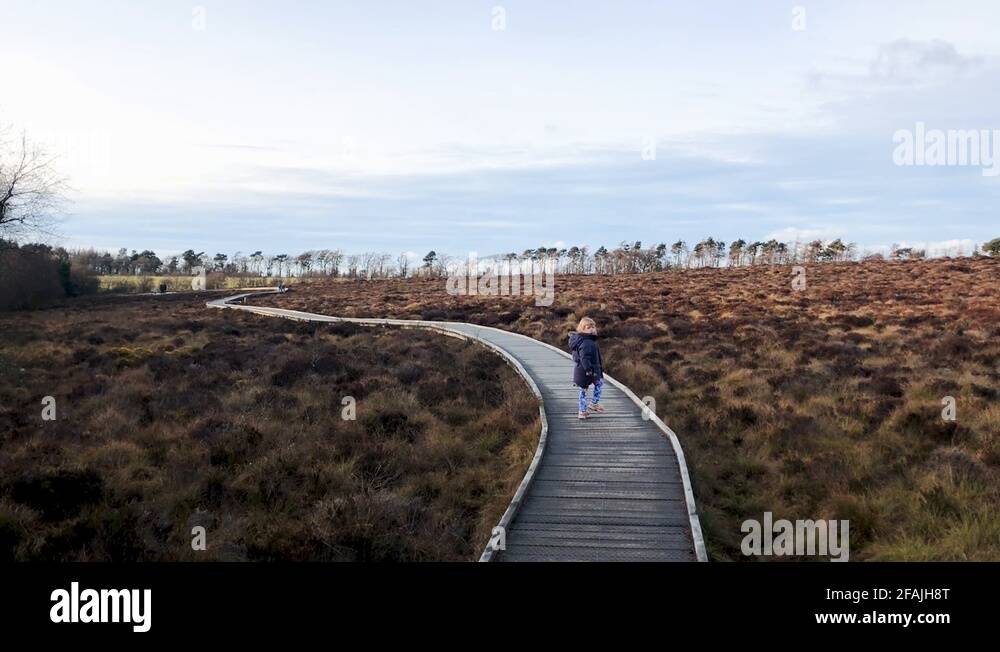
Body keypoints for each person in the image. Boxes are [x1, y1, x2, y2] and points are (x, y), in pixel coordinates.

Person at [569, 317, 604, 420]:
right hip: (586, 371)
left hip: (586, 370)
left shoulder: (588, 340)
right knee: (586, 389)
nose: (592, 329)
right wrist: (589, 370)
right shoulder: (586, 342)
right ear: (582, 329)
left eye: (593, 326)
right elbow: (584, 358)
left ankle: (585, 409)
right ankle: (588, 407)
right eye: (588, 327)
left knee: (595, 385)